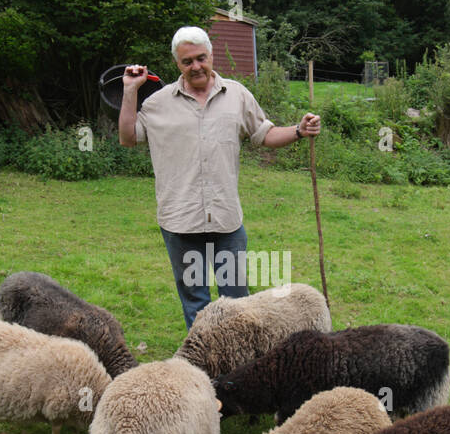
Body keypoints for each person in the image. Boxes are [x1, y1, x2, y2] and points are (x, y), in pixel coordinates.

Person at [118, 26, 321, 329]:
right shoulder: (158, 103)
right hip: (180, 221)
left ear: (211, 56)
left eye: (201, 58)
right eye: (187, 61)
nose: (196, 66)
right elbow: (128, 137)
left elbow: (264, 134)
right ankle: (205, 366)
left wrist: (298, 131)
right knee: (196, 305)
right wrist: (130, 90)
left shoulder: (237, 95)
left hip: (226, 220)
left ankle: (241, 369)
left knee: (238, 302)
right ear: (178, 64)